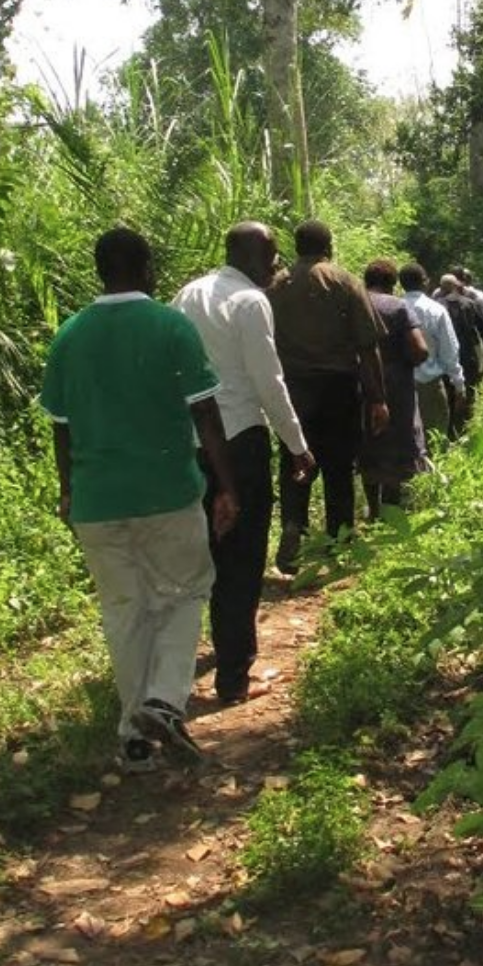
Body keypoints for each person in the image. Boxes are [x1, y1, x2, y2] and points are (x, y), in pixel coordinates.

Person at [41, 227, 238, 772]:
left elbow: (61, 426)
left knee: (124, 610)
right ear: (147, 268)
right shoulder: (171, 326)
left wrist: (67, 488)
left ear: (100, 271)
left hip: (97, 501)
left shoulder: (69, 336)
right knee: (186, 591)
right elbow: (205, 412)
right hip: (166, 492)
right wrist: (227, 485)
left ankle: (134, 736)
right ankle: (165, 701)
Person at [173, 223, 315, 705]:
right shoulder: (251, 302)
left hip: (191, 444)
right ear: (249, 256)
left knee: (206, 554)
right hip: (239, 443)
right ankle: (234, 677)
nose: (276, 264)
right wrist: (296, 444)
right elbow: (268, 381)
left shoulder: (188, 294)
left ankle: (193, 664)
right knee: (243, 557)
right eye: (271, 255)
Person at [266, 219, 388, 574]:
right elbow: (367, 346)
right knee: (339, 466)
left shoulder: (276, 286)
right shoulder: (345, 282)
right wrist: (378, 398)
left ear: (296, 247)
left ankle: (294, 526)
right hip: (338, 387)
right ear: (328, 246)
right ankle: (338, 541)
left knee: (295, 460)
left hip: (292, 388)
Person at [357, 259, 428, 519]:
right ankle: (390, 509)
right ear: (392, 284)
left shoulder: (353, 303)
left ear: (366, 281)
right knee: (397, 444)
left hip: (359, 386)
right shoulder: (398, 307)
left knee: (368, 443)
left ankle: (373, 509)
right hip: (396, 388)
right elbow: (420, 350)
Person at [398, 262, 464, 453]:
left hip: (400, 385)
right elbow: (450, 350)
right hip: (430, 384)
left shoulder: (394, 309)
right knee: (436, 440)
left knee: (407, 442)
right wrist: (458, 384)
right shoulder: (436, 310)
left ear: (401, 284)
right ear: (425, 282)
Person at [436, 272, 483, 434]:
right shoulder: (469, 304)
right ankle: (467, 427)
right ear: (456, 286)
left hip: (444, 356)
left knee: (448, 392)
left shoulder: (437, 306)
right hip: (468, 353)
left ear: (441, 288)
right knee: (469, 389)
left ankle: (449, 429)